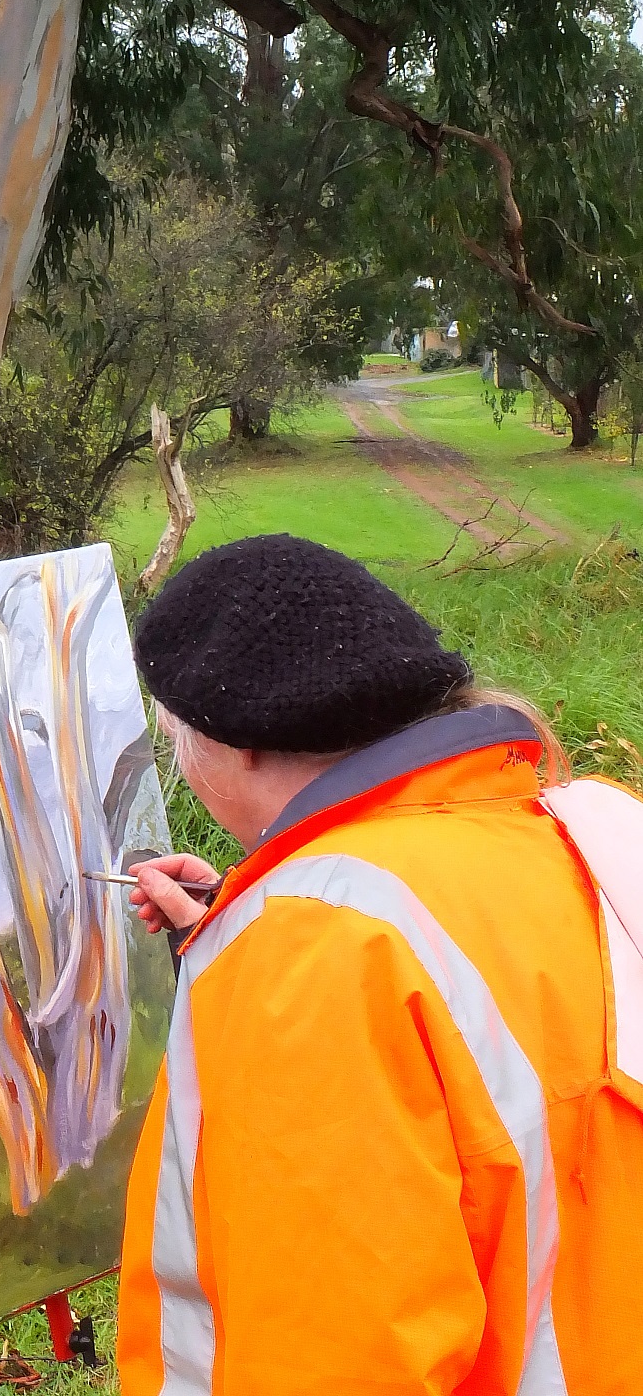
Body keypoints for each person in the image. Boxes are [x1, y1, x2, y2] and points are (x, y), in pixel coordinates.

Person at [116, 533, 643, 1396]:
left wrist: (275, 960)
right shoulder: (581, 832)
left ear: (238, 744)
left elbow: (330, 1353)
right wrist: (246, 928)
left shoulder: (318, 953)